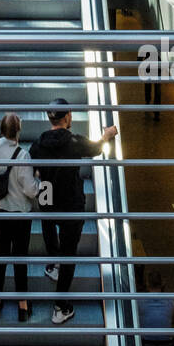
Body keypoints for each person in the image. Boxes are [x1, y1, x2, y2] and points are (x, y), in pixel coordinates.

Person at [30, 99, 118, 325]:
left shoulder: (38, 144)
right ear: (67, 116)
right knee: (69, 254)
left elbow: (34, 167)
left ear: (49, 118)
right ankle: (60, 307)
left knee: (48, 226)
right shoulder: (74, 142)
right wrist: (107, 135)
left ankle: (53, 264)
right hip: (71, 203)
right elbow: (97, 149)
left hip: (48, 198)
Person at [0, 113, 41, 322]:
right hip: (19, 214)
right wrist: (36, 180)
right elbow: (31, 191)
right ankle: (22, 305)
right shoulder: (23, 156)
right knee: (19, 257)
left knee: (1, 254)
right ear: (18, 132)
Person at [138, 268, 174, 346]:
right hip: (166, 345)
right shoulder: (170, 301)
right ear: (162, 284)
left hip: (145, 344)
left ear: (147, 284)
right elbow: (171, 318)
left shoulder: (139, 300)